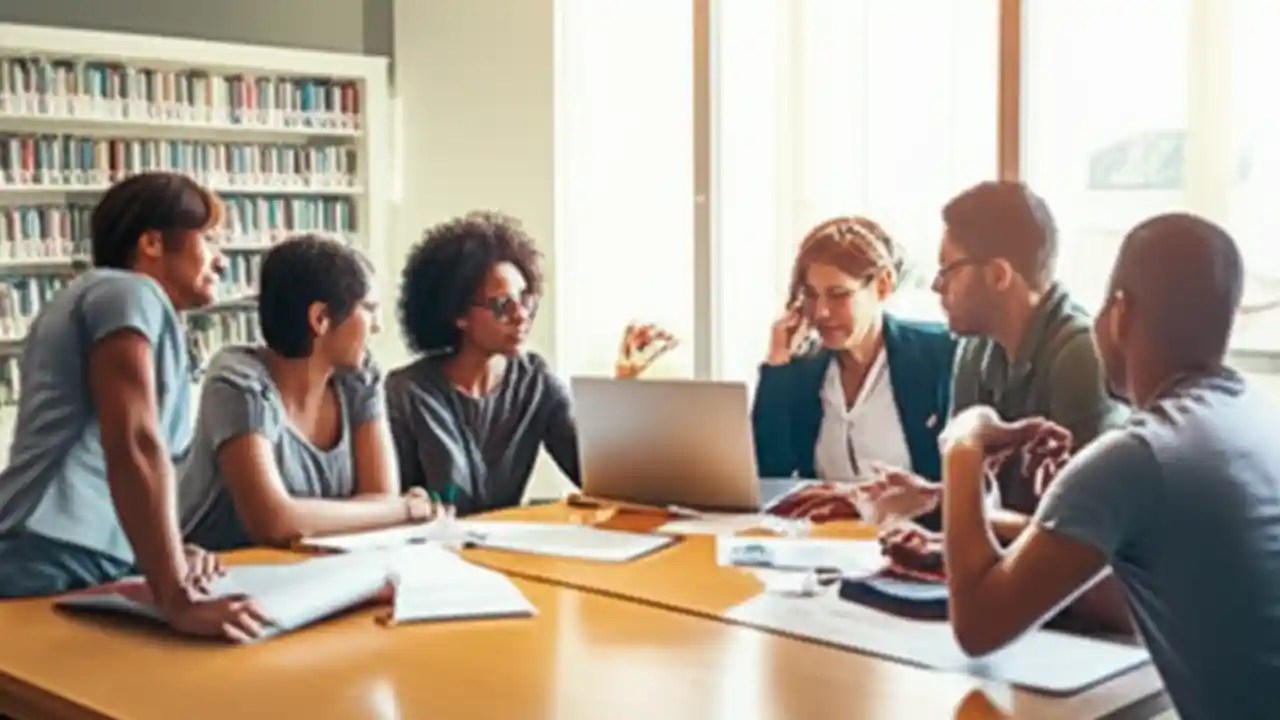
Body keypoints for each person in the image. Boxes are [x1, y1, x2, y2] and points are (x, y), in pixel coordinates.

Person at [940, 213, 1280, 719]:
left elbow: (979, 627)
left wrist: (963, 446)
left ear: (1119, 314)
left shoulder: (1137, 453)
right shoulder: (1252, 414)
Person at [0, 172, 268, 641]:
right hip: (51, 556)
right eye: (208, 238)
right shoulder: (129, 292)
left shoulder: (116, 303)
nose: (221, 260)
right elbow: (133, 442)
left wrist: (168, 552)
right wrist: (177, 595)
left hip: (75, 554)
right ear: (151, 243)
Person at [386, 211, 676, 515]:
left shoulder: (534, 380)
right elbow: (393, 504)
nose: (521, 315)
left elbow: (596, 476)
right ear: (458, 315)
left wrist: (623, 387)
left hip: (504, 547)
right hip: (431, 552)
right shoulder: (407, 393)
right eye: (501, 305)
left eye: (525, 298)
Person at [180, 235, 442, 551]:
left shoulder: (359, 378)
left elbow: (381, 496)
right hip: (215, 574)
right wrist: (405, 509)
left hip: (311, 570)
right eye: (369, 309)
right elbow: (273, 523)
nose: (377, 327)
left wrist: (386, 508)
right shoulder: (238, 382)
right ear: (320, 318)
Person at [752, 216, 955, 521]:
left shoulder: (939, 354)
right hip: (825, 545)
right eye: (810, 294)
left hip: (915, 543)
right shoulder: (803, 371)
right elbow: (768, 472)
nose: (821, 312)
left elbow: (966, 489)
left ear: (883, 285)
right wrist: (777, 364)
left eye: (838, 295)